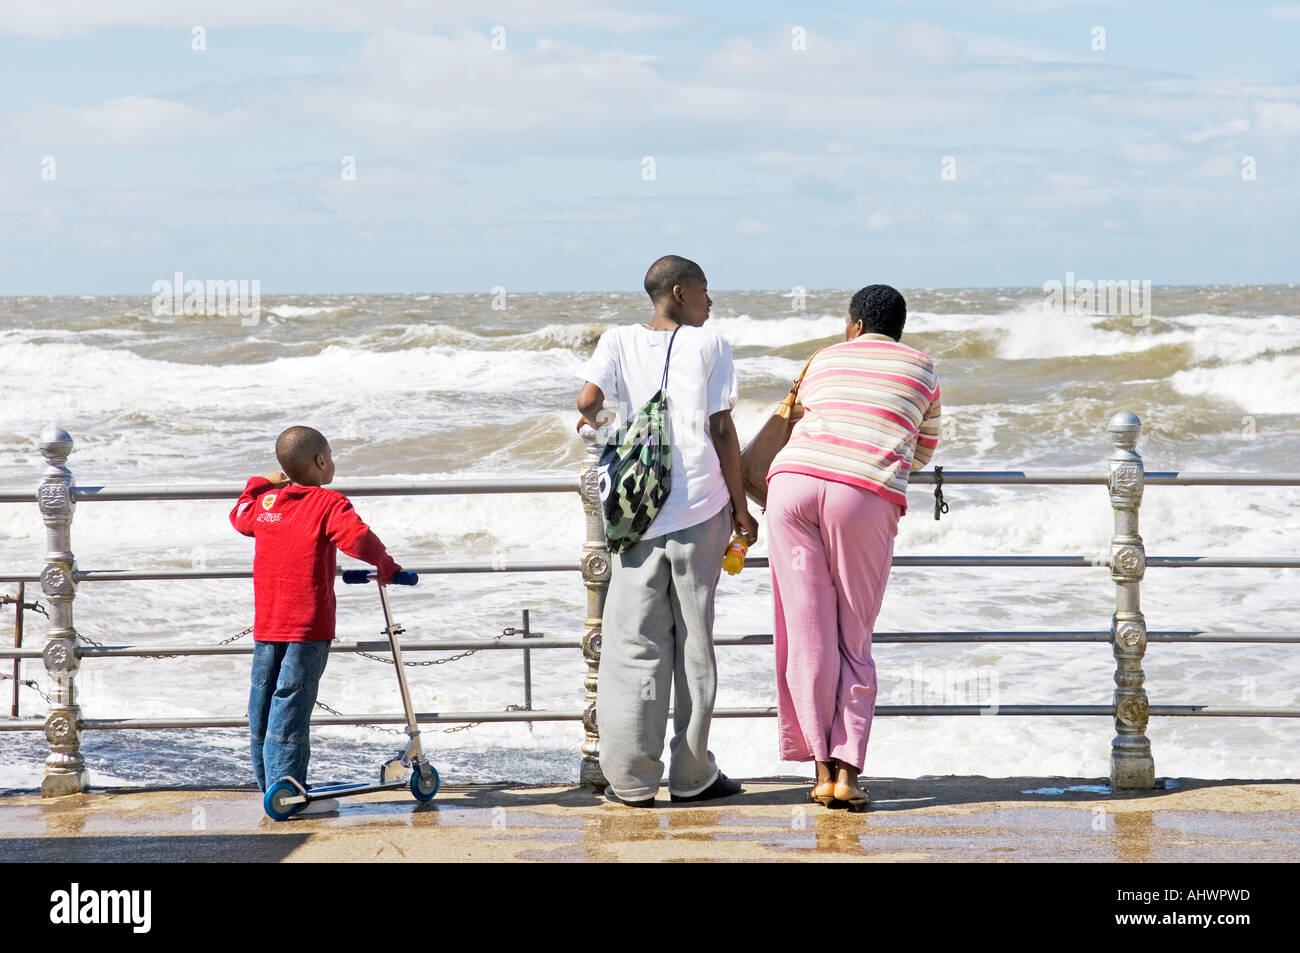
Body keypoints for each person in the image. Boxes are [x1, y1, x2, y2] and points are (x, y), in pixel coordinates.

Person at [576, 255, 758, 807]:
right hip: (700, 509)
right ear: (679, 291)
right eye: (705, 291)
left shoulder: (616, 339)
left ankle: (630, 780)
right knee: (694, 646)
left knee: (634, 645)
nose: (711, 302)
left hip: (634, 515)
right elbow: (721, 428)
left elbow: (587, 405)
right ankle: (691, 775)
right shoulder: (711, 344)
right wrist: (742, 508)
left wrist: (617, 434)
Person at [765, 285, 940, 811]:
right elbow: (924, 450)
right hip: (860, 497)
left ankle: (818, 771)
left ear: (854, 324)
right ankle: (846, 776)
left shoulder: (823, 358)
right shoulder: (923, 368)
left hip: (790, 486)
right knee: (853, 637)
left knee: (808, 633)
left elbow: (794, 421)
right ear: (898, 329)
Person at [230, 425, 401, 814]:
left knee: (263, 702)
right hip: (307, 627)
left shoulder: (267, 504)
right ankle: (289, 794)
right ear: (322, 461)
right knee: (290, 706)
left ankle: (271, 790)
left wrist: (259, 482)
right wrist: (387, 566)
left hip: (268, 625)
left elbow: (239, 516)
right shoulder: (327, 503)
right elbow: (358, 539)